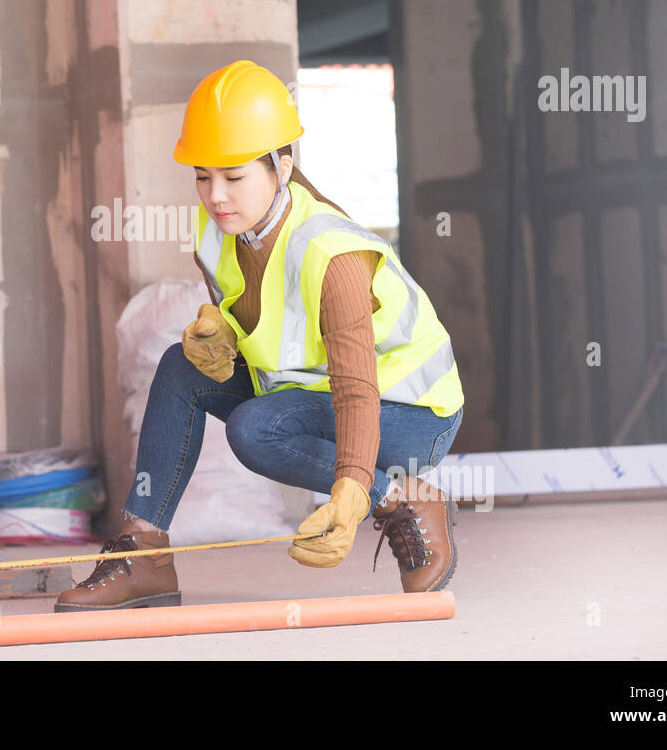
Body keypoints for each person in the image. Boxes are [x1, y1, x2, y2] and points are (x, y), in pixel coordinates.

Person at [56, 60, 465, 611]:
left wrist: (352, 491)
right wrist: (222, 333)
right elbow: (268, 318)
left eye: (234, 176)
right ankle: (144, 553)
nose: (216, 195)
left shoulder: (331, 251)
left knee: (256, 429)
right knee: (181, 364)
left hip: (411, 414)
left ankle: (403, 499)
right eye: (203, 176)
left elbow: (355, 386)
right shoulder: (221, 233)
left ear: (282, 165)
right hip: (310, 399)